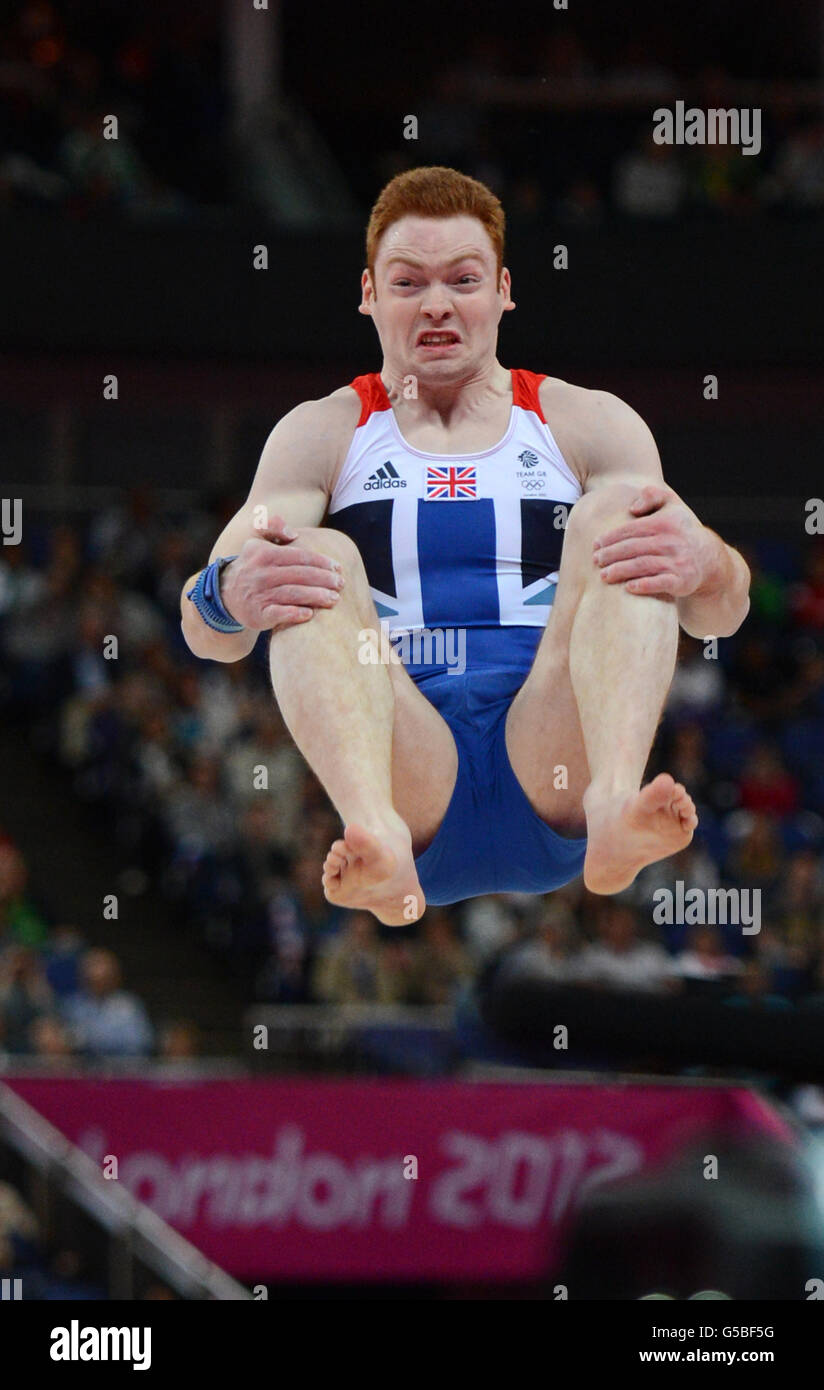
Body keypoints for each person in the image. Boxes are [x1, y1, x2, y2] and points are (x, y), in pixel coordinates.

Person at [180, 166, 750, 924]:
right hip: (410, 769)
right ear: (369, 294)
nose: (439, 305)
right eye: (409, 282)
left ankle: (617, 799)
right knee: (308, 558)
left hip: (555, 758)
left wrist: (708, 561)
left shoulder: (588, 423)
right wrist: (227, 596)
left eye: (463, 279)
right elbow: (205, 631)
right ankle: (371, 829)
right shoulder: (320, 433)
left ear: (504, 289)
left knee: (620, 514)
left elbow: (720, 613)